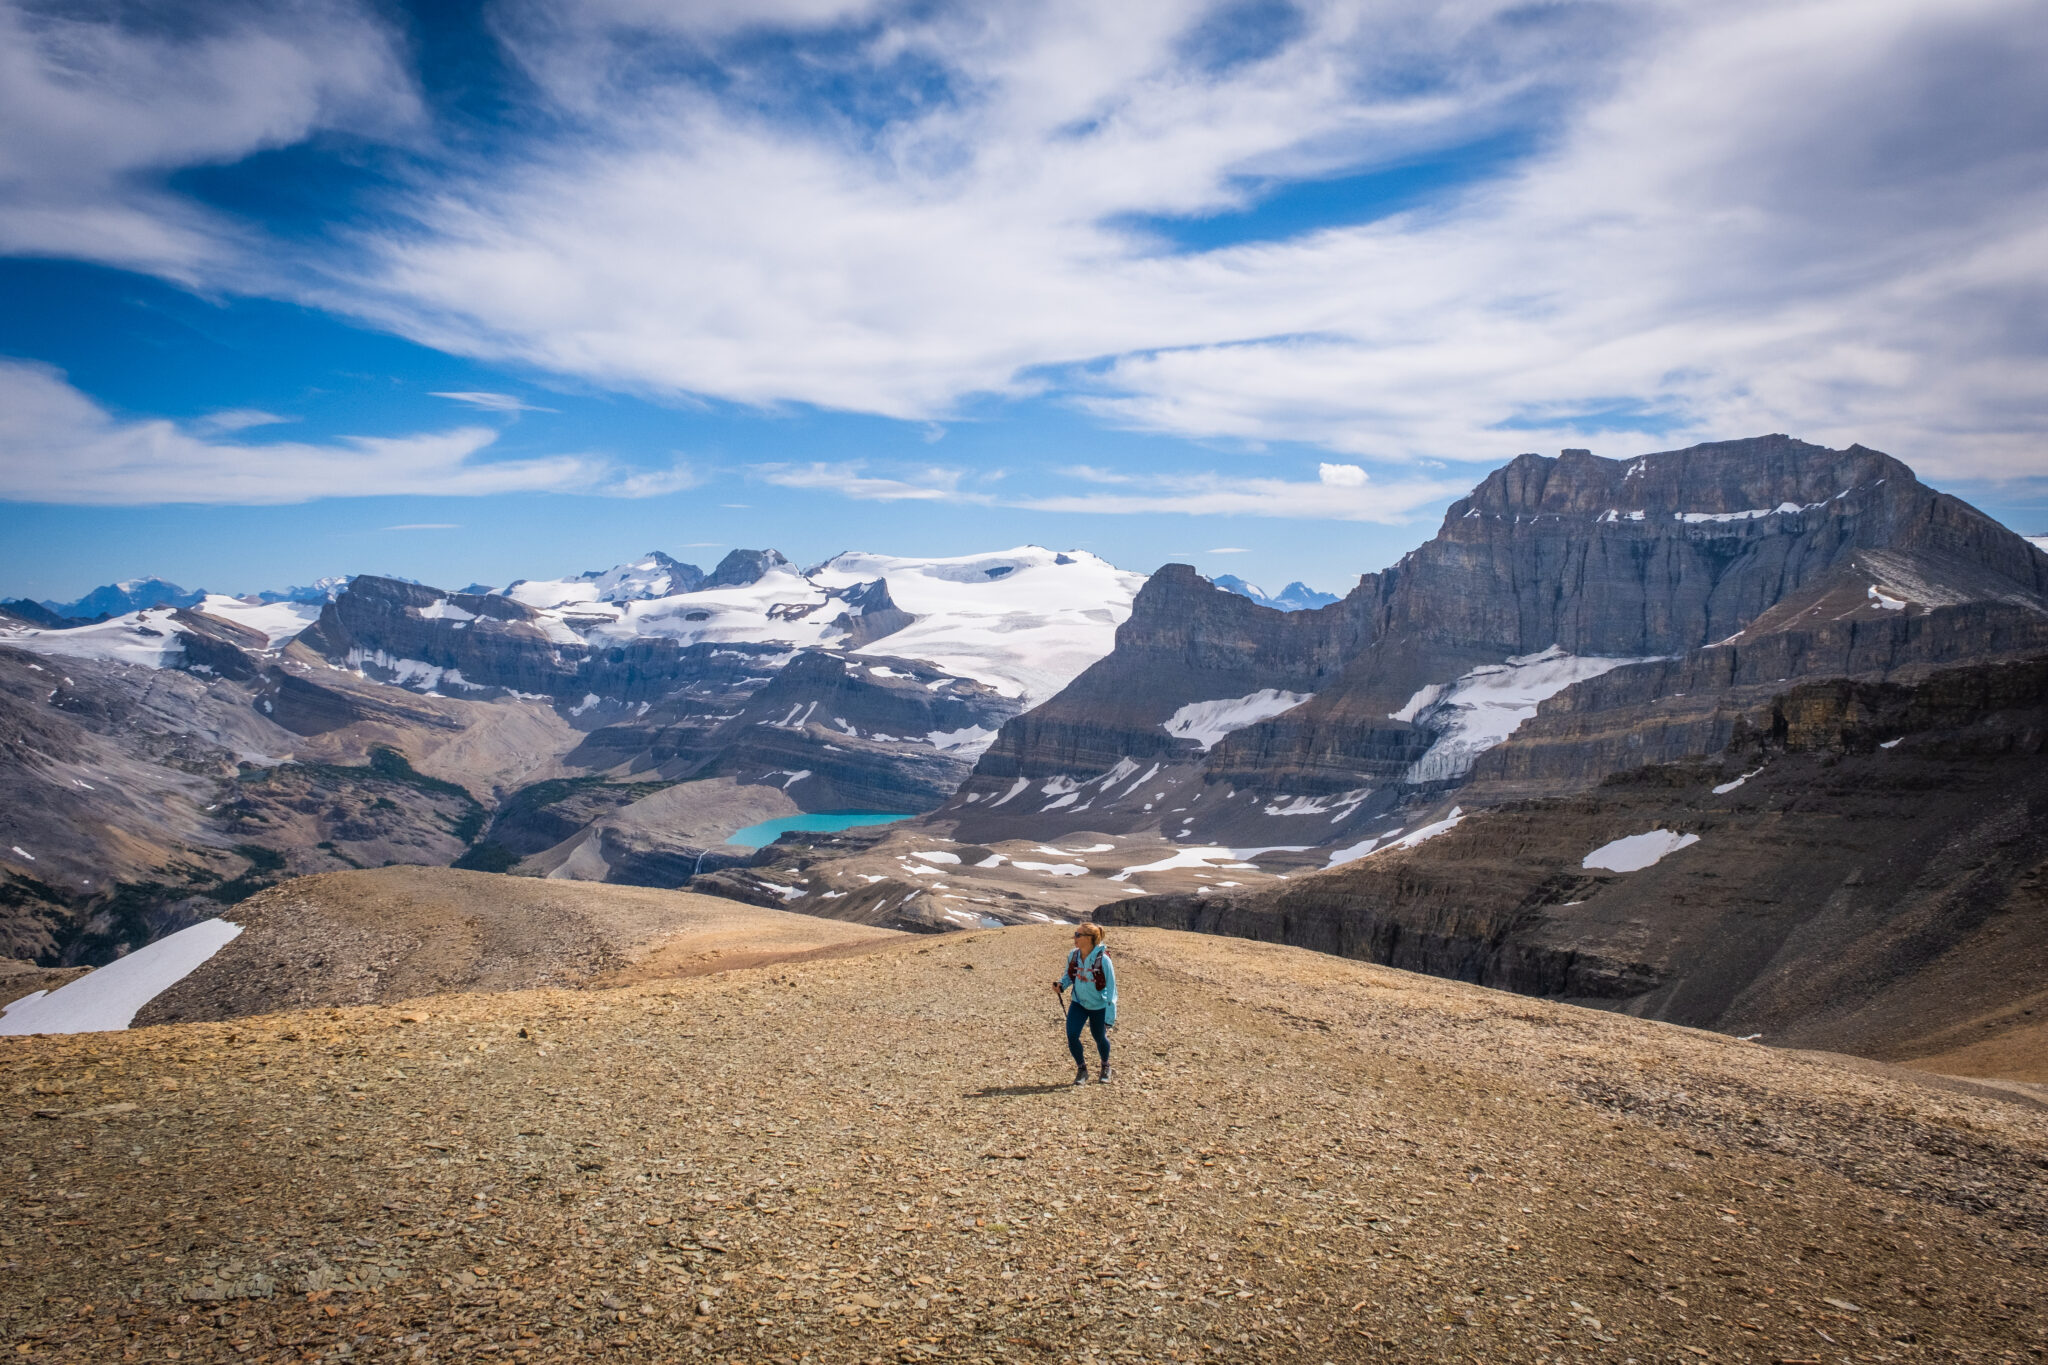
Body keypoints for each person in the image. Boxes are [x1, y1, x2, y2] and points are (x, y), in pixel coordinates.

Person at [1054, 924, 1117, 1085]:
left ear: (1089, 938)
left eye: (1078, 935)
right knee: (1072, 1036)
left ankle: (1105, 1066)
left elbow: (1111, 990)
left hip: (1099, 1006)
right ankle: (1082, 1069)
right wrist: (1061, 985)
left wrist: (1109, 1019)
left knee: (1099, 1037)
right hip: (1078, 1003)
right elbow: (1069, 975)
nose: (1074, 937)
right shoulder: (1073, 955)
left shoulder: (1104, 960)